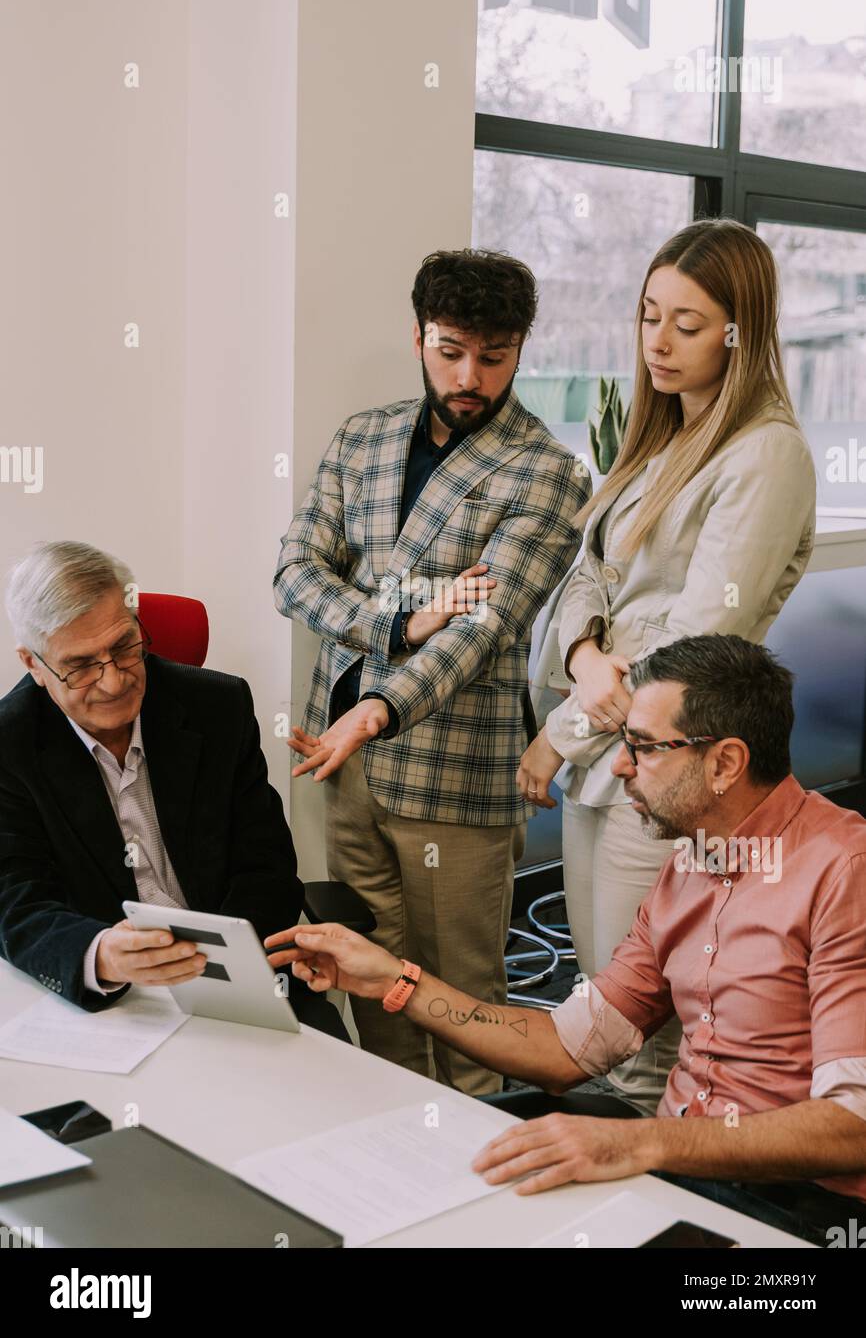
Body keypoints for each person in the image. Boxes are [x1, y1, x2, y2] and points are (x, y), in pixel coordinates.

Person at [265, 635, 866, 1248]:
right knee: (417, 1181)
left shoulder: (847, 870)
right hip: (682, 1171)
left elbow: (854, 1126)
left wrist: (640, 1141)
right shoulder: (687, 865)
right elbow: (564, 1049)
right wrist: (392, 979)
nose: (622, 766)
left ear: (725, 763)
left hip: (805, 1210)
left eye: (643, 747)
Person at [273, 248, 590, 1093]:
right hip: (343, 768)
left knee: (461, 1006)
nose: (471, 375)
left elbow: (479, 634)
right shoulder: (363, 436)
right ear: (417, 335)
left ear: (521, 348)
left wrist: (375, 706)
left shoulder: (547, 471)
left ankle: (476, 1186)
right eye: (451, 350)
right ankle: (395, 1173)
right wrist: (398, 617)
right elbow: (294, 572)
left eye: (494, 355)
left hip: (451, 776)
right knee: (371, 985)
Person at [521, 218, 817, 1116]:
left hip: (670, 766)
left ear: (741, 332)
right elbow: (587, 575)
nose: (659, 340)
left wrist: (563, 735)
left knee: (641, 1040)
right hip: (606, 754)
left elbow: (699, 635)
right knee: (603, 997)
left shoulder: (766, 454)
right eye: (649, 314)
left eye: (688, 324)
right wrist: (580, 656)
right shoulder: (656, 440)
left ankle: (671, 1220)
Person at [0, 539, 347, 1040]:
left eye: (124, 647)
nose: (114, 681)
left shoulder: (217, 707)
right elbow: (17, 900)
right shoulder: (11, 744)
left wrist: (222, 969)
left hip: (241, 979)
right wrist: (100, 955)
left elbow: (266, 865)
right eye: (80, 666)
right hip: (115, 1001)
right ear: (34, 664)